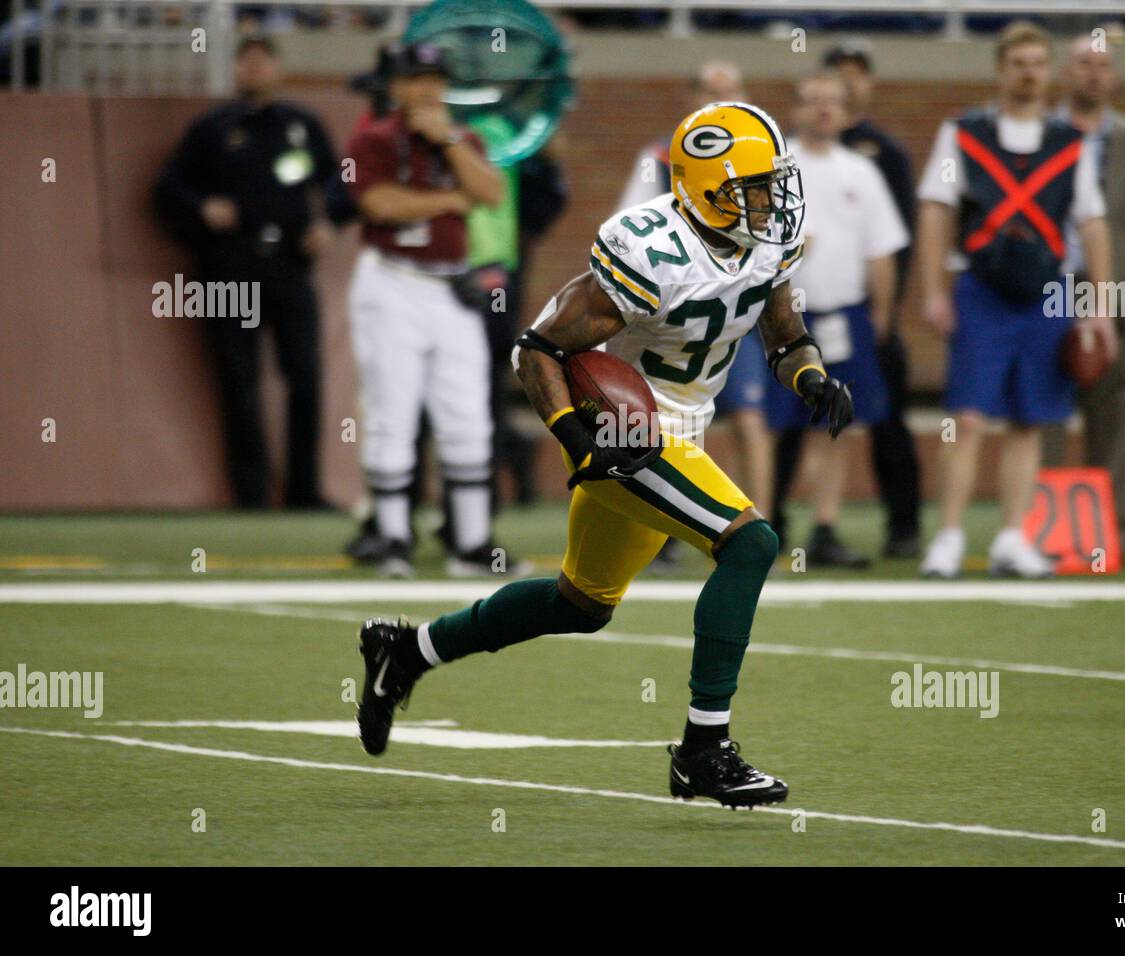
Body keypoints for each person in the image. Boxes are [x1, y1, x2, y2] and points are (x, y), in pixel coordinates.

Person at [353, 102, 854, 808]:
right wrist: (574, 434)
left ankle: (407, 651)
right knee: (751, 544)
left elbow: (778, 321)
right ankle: (704, 753)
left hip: (682, 427)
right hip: (627, 432)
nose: (774, 202)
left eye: (776, 184)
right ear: (710, 187)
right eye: (757, 187)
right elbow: (537, 349)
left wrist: (809, 374)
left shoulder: (761, 241)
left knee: (580, 603)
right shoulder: (654, 248)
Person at [915, 21, 1117, 579]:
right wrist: (935, 291)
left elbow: (1093, 224)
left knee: (1032, 422)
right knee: (970, 418)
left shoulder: (1069, 144)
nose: (1029, 74)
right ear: (1001, 70)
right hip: (981, 290)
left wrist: (1099, 307)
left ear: (1049, 73)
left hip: (1049, 293)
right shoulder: (961, 134)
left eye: (1037, 63)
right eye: (1018, 64)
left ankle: (1011, 537)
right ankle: (949, 538)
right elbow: (936, 208)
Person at [344, 41, 519, 578]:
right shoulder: (372, 138)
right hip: (392, 281)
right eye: (416, 78)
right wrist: (446, 201)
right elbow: (375, 203)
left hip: (450, 287)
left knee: (467, 416)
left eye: (436, 78)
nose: (427, 89)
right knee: (392, 413)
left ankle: (470, 543)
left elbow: (489, 192)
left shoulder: (461, 138)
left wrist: (448, 141)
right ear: (396, 86)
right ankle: (392, 538)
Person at [155, 35, 351, 509]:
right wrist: (203, 206)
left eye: (263, 62)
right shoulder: (213, 128)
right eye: (246, 63)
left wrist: (329, 222)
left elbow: (343, 180)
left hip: (288, 263)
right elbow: (167, 188)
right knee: (239, 379)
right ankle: (250, 493)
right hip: (229, 268)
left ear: (278, 69)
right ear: (235, 71)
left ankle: (304, 491)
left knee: (304, 375)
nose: (255, 71)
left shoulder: (301, 125)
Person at [620, 62, 775, 570]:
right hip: (671, 315)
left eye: (729, 93)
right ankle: (671, 524)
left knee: (749, 418)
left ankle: (758, 524)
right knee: (669, 423)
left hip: (735, 309)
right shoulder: (660, 158)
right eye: (711, 93)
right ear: (692, 98)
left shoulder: (764, 160)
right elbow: (628, 232)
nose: (720, 104)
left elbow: (787, 236)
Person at [1041, 35, 1125, 552]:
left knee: (1116, 413)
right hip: (1050, 288)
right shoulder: (1039, 137)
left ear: (1114, 78)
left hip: (1121, 293)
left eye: (1102, 66)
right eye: (1083, 64)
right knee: (1043, 410)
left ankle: (1111, 529)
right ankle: (1039, 525)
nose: (1093, 75)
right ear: (1065, 74)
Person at [766, 72, 907, 567]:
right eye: (814, 100)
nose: (824, 110)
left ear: (848, 113)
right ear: (797, 109)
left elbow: (882, 249)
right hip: (779, 317)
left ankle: (825, 526)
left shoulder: (862, 172)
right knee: (770, 425)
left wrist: (882, 314)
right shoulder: (775, 168)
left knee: (836, 421)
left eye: (833, 102)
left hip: (845, 315)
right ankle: (764, 523)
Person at [819, 41, 923, 557]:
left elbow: (898, 240)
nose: (848, 82)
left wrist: (887, 309)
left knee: (885, 418)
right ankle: (789, 523)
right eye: (839, 73)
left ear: (870, 83)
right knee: (797, 422)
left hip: (868, 310)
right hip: (812, 309)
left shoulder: (887, 155)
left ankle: (903, 524)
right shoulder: (796, 152)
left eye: (858, 73)